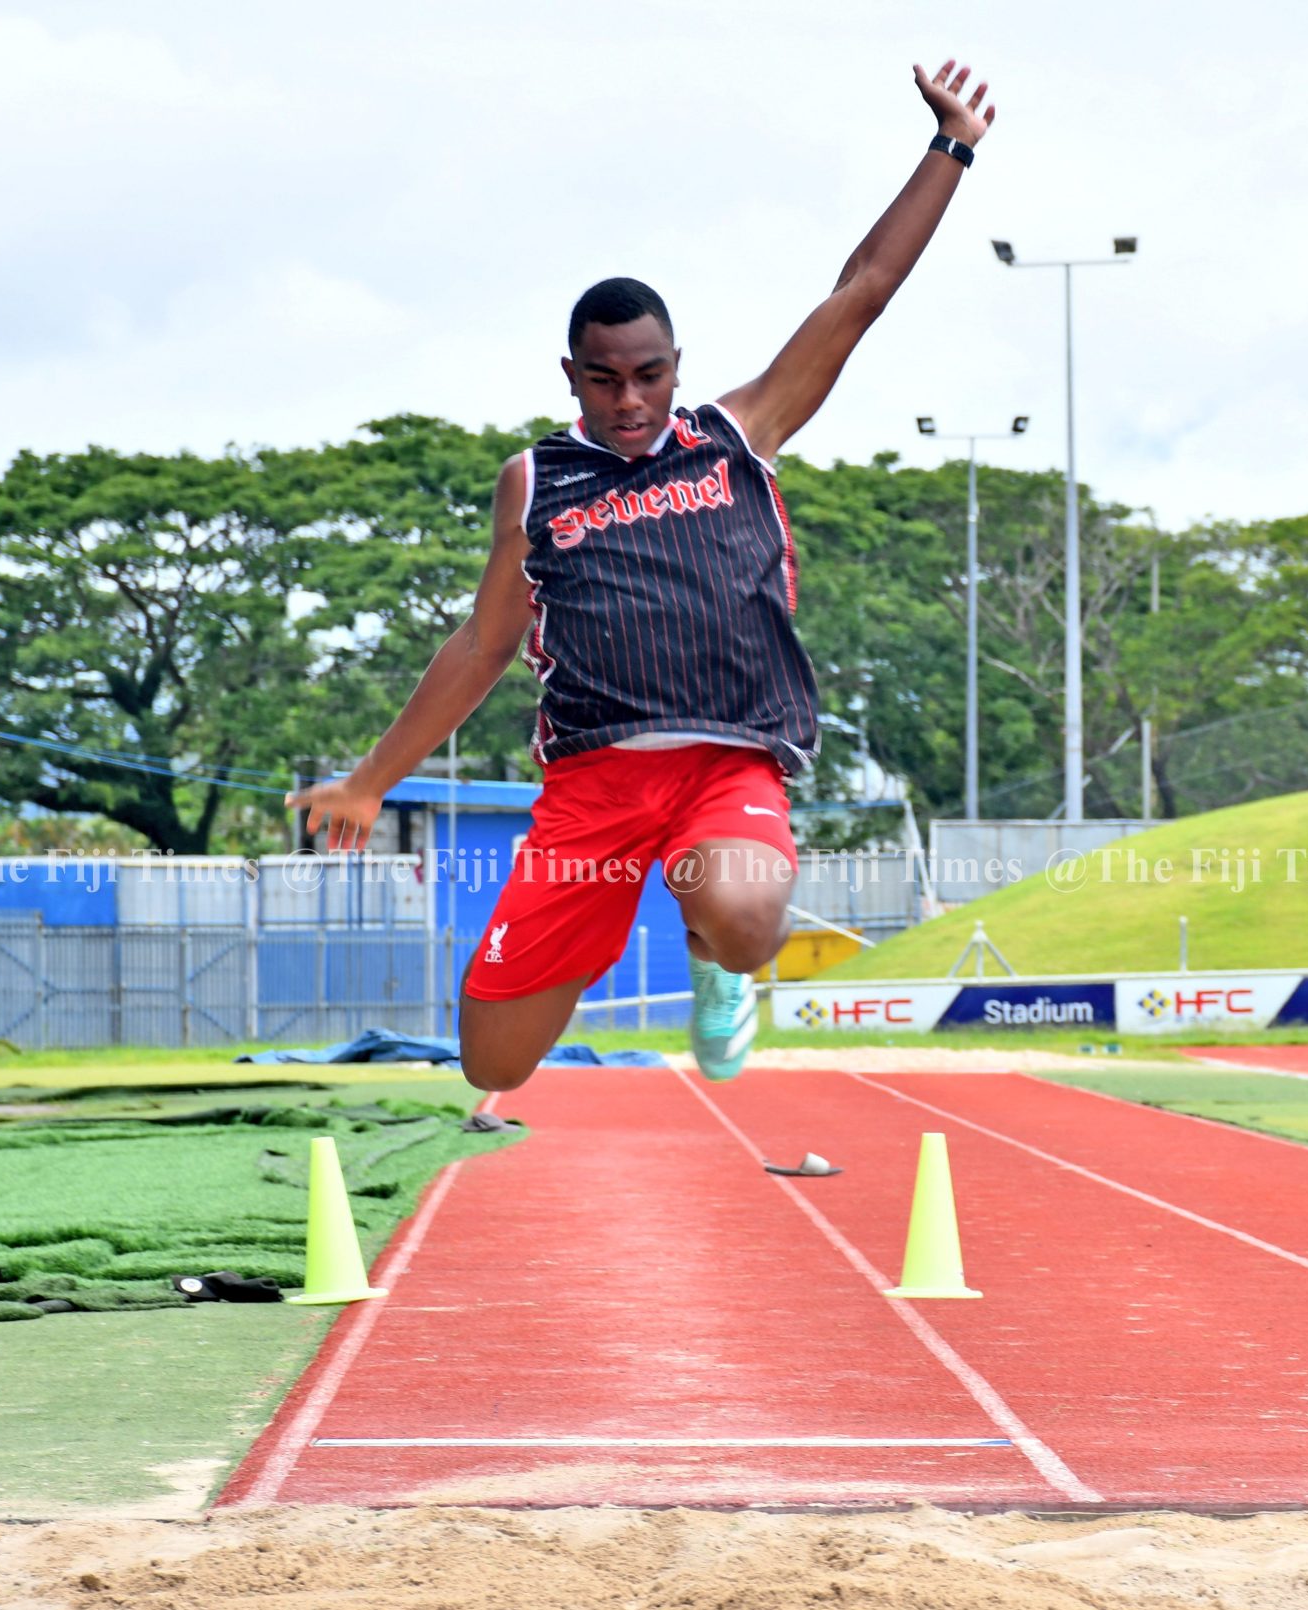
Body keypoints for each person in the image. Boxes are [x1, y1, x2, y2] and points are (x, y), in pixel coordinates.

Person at [288, 59, 998, 1091]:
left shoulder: (736, 435)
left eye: (649, 373)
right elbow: (484, 646)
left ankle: (714, 963)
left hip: (725, 763)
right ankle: (596, 925)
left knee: (747, 917)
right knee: (493, 1065)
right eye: (605, 377)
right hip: (593, 789)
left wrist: (951, 147)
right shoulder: (533, 482)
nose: (630, 398)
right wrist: (368, 781)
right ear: (571, 374)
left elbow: (863, 290)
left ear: (675, 363)